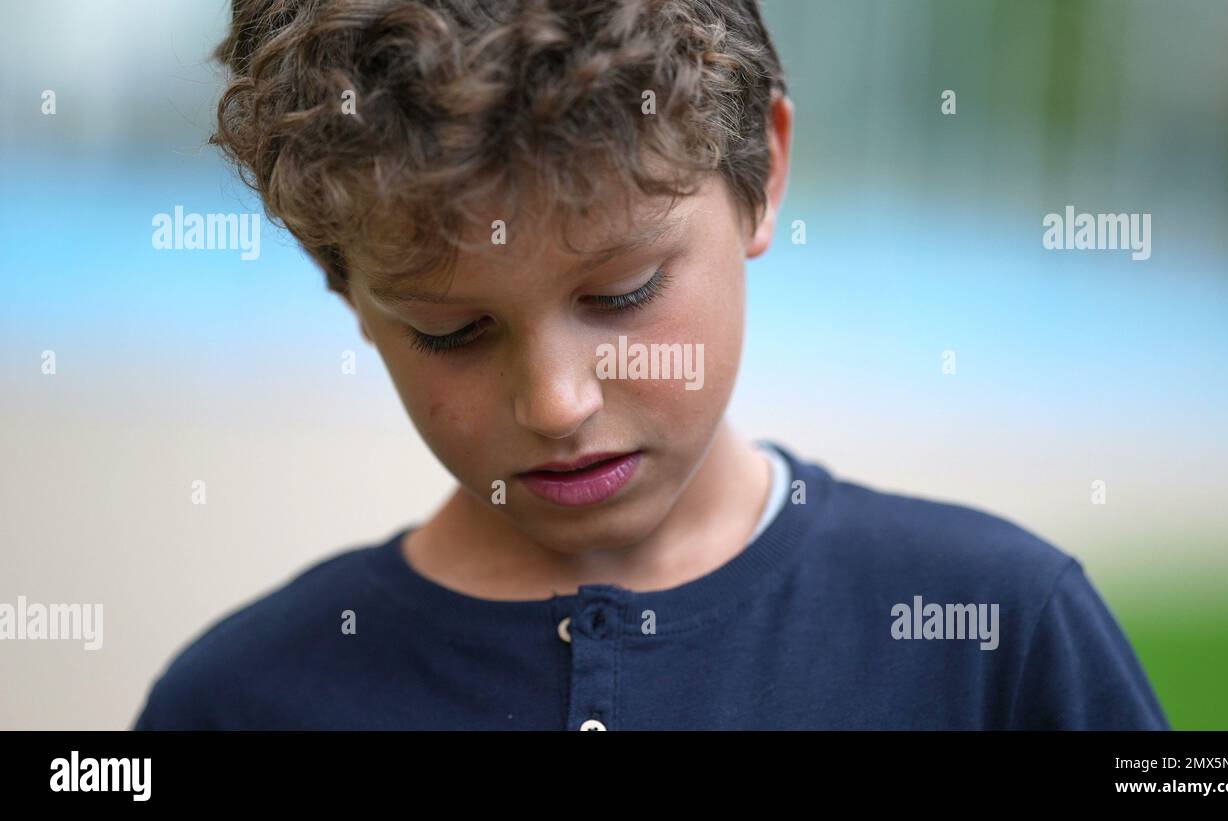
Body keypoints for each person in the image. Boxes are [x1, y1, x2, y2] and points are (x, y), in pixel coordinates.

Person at [133, 0, 1169, 730]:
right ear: (339, 281)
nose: (555, 402)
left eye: (622, 294)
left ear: (759, 173)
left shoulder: (998, 631)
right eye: (451, 329)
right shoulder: (241, 698)